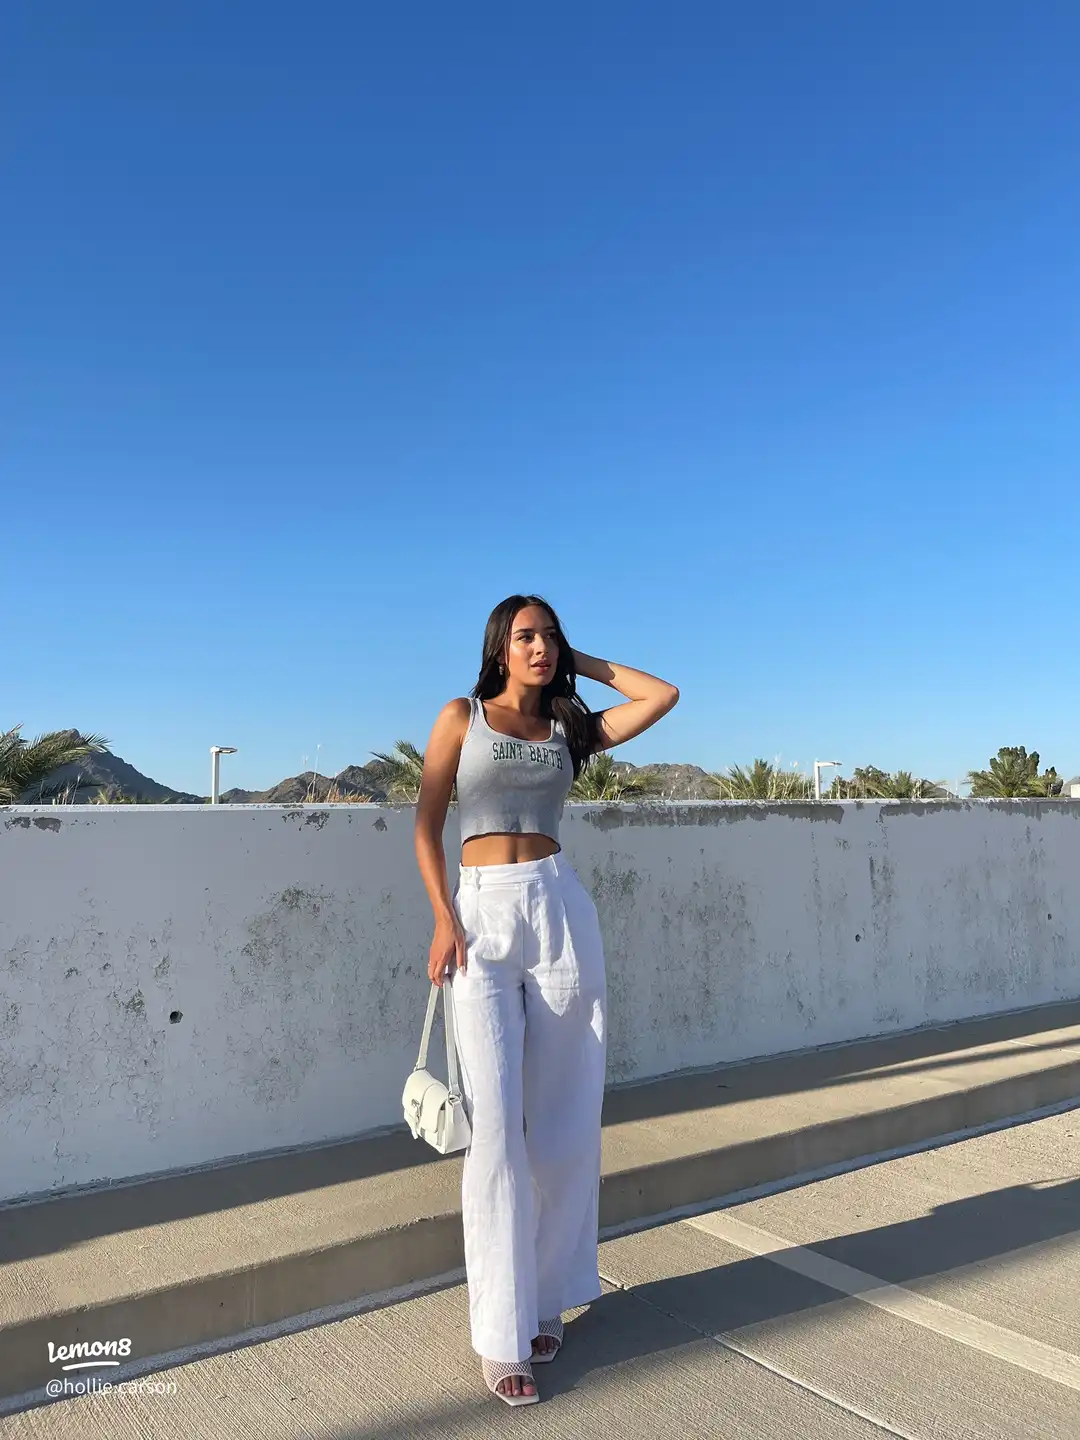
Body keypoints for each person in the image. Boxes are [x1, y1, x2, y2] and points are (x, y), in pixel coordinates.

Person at [413, 594, 679, 1406]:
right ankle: (499, 1335)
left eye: (549, 636)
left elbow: (660, 696)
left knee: (565, 1123)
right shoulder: (463, 717)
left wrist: (582, 664)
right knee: (494, 1133)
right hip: (482, 916)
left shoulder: (571, 728)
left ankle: (545, 1298)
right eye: (525, 636)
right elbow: (426, 821)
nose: (539, 647)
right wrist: (442, 916)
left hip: (561, 908)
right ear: (498, 646)